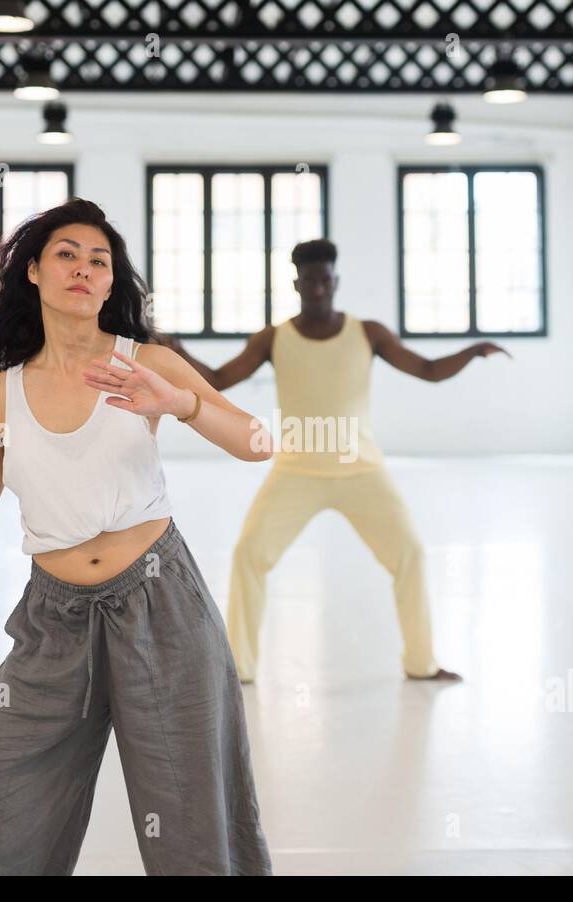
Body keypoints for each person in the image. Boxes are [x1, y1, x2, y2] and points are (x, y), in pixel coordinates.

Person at [0, 198, 273, 875]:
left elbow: (259, 442)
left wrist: (182, 404)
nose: (84, 268)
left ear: (112, 283)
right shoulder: (2, 394)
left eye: (99, 260)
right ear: (35, 274)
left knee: (193, 819)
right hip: (55, 620)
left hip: (162, 607)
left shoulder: (148, 362)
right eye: (67, 255)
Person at [162, 238, 509, 684]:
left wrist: (473, 350)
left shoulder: (368, 333)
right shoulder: (274, 337)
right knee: (250, 554)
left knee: (411, 555)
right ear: (297, 284)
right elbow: (217, 380)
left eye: (326, 279)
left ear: (336, 281)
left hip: (361, 471)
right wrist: (177, 350)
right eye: (310, 280)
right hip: (295, 473)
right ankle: (239, 667)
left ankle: (421, 664)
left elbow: (427, 370)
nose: (319, 287)